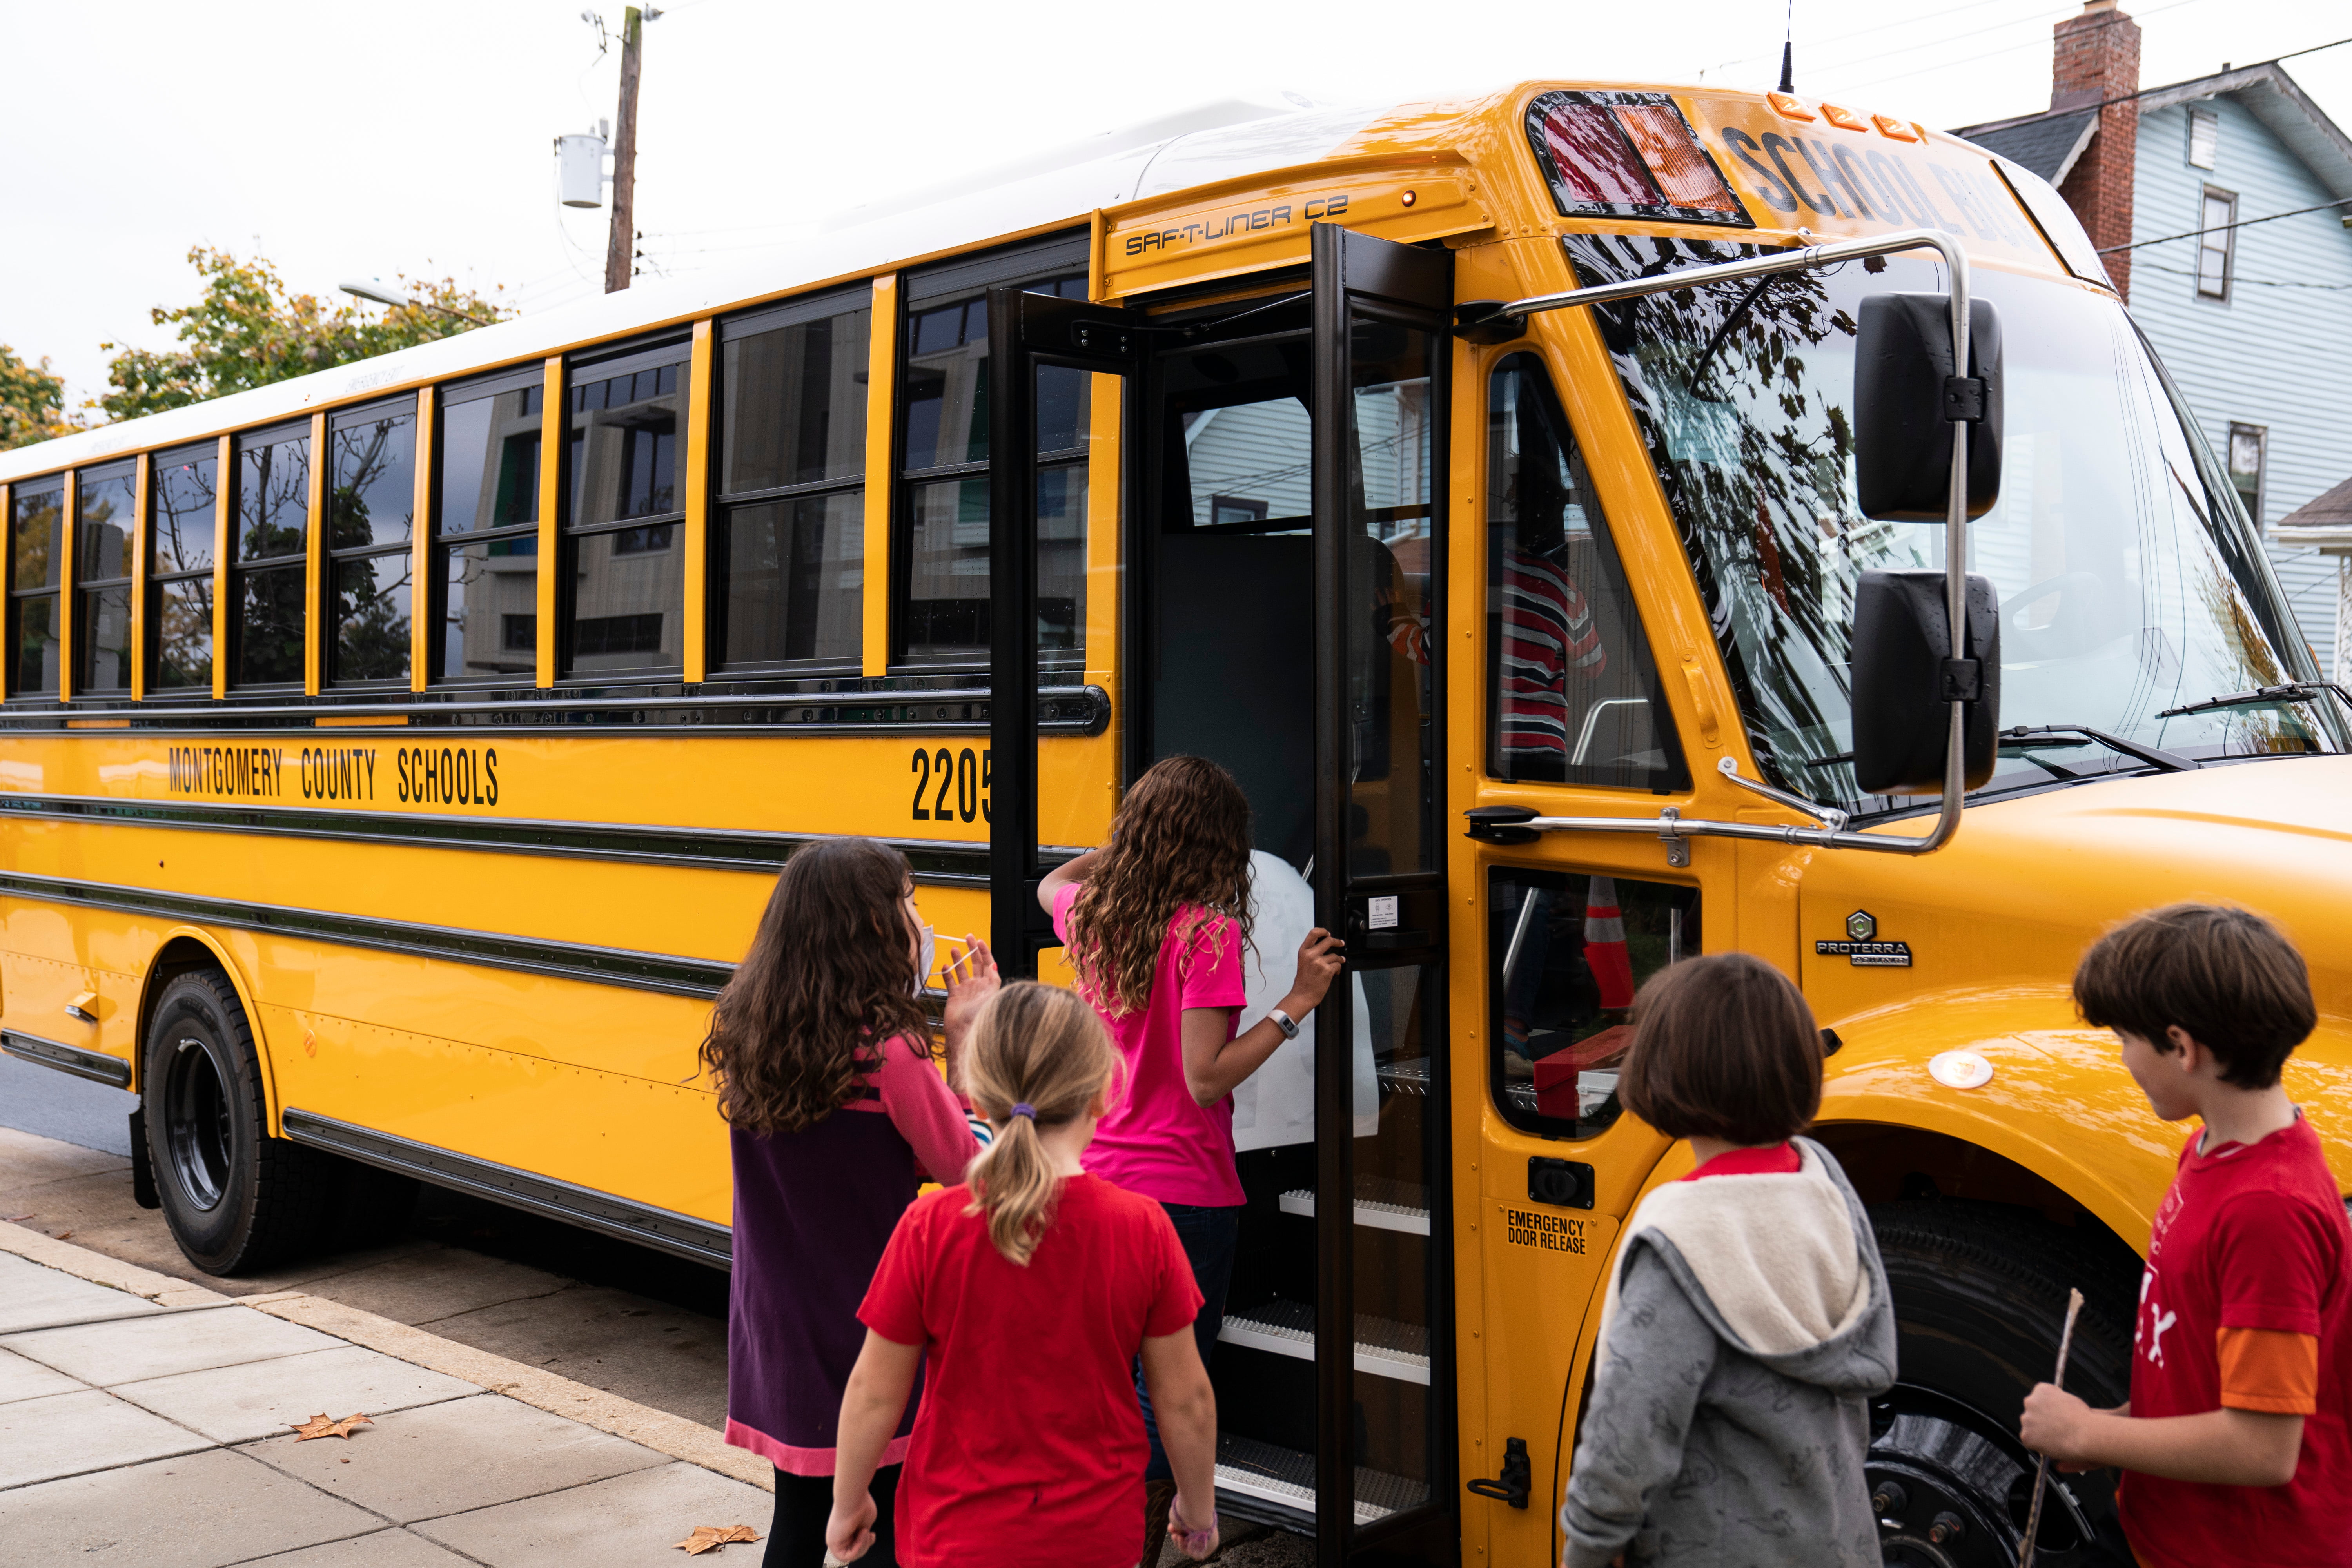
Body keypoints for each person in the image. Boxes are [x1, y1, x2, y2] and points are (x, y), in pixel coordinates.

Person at [1036, 754, 1345, 1565]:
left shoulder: (1095, 915)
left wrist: (1133, 847)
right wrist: (1296, 1003)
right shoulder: (1204, 932)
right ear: (1215, 843)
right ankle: (1134, 1544)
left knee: (1101, 1372)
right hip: (1182, 1190)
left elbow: (1051, 881)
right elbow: (1205, 1075)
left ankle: (1088, 1535)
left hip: (1096, 1178)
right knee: (1168, 1381)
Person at [824, 982, 1222, 1568]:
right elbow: (1184, 1399)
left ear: (978, 1102)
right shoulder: (1143, 1228)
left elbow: (874, 1391)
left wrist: (848, 1502)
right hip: (1093, 1537)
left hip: (953, 1534)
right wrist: (1197, 1509)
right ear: (1100, 1097)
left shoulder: (931, 1226)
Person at [701, 838, 997, 1568]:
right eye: (907, 901)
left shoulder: (751, 1029)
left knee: (800, 1522)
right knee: (884, 1528)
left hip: (779, 1318)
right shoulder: (889, 1052)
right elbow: (965, 1169)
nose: (918, 918)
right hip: (872, 1326)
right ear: (867, 925)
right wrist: (965, 1040)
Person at [2022, 904, 2348, 1568]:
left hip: (2246, 1549)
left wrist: (2088, 1429)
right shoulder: (2210, 1149)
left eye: (2125, 1040)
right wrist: (2112, 1429)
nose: (2123, 1059)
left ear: (2182, 1046)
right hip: (2175, 1531)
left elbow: (2263, 1448)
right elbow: (2205, 1368)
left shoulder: (2268, 1210)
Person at [1559, 952, 1895, 1568]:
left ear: (1666, 1067)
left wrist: (1585, 1549)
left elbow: (1629, 1432)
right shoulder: (1825, 1185)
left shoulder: (1681, 1236)